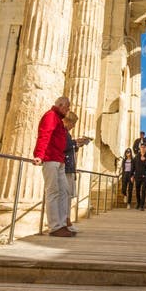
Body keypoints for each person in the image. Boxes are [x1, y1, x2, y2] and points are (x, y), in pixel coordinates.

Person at [33, 96, 77, 237]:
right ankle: (55, 226)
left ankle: (63, 223)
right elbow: (44, 135)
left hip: (60, 160)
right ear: (60, 105)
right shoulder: (50, 116)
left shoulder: (57, 119)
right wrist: (39, 154)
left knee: (64, 191)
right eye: (67, 107)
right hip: (50, 159)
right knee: (52, 191)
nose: (68, 110)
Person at [62, 111, 91, 231]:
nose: (73, 126)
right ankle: (64, 221)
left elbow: (67, 146)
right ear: (67, 121)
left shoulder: (66, 133)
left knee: (68, 195)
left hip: (69, 167)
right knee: (64, 196)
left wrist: (76, 144)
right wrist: (75, 142)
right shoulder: (62, 132)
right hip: (65, 168)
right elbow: (63, 146)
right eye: (73, 123)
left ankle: (66, 220)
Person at [132, 142, 146, 210]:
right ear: (140, 148)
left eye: (144, 147)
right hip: (137, 176)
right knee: (137, 191)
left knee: (143, 191)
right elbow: (133, 166)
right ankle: (138, 203)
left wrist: (145, 160)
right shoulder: (136, 156)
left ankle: (142, 205)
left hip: (144, 176)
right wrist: (132, 175)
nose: (143, 149)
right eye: (142, 147)